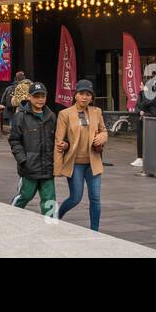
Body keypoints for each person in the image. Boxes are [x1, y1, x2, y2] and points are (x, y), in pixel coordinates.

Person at [54, 79, 107, 231]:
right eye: (81, 93)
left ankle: (95, 231)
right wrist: (58, 168)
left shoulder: (97, 112)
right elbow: (59, 141)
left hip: (93, 162)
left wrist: (101, 138)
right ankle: (57, 215)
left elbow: (104, 131)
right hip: (75, 163)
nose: (85, 97)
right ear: (75, 95)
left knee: (95, 199)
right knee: (75, 198)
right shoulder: (65, 114)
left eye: (88, 94)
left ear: (92, 97)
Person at [8, 82, 57, 217]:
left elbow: (57, 139)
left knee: (50, 200)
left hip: (48, 168)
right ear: (29, 97)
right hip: (29, 168)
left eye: (43, 96)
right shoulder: (21, 116)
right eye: (36, 96)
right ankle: (11, 218)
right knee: (24, 196)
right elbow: (14, 140)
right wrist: (23, 159)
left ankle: (51, 226)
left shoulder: (51, 116)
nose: (40, 99)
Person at [134, 76, 156, 168]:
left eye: (142, 85)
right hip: (141, 119)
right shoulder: (141, 94)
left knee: (149, 140)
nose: (140, 86)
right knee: (140, 138)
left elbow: (143, 104)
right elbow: (137, 106)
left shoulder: (152, 96)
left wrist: (143, 112)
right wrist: (139, 112)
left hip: (150, 120)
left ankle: (148, 158)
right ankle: (139, 158)